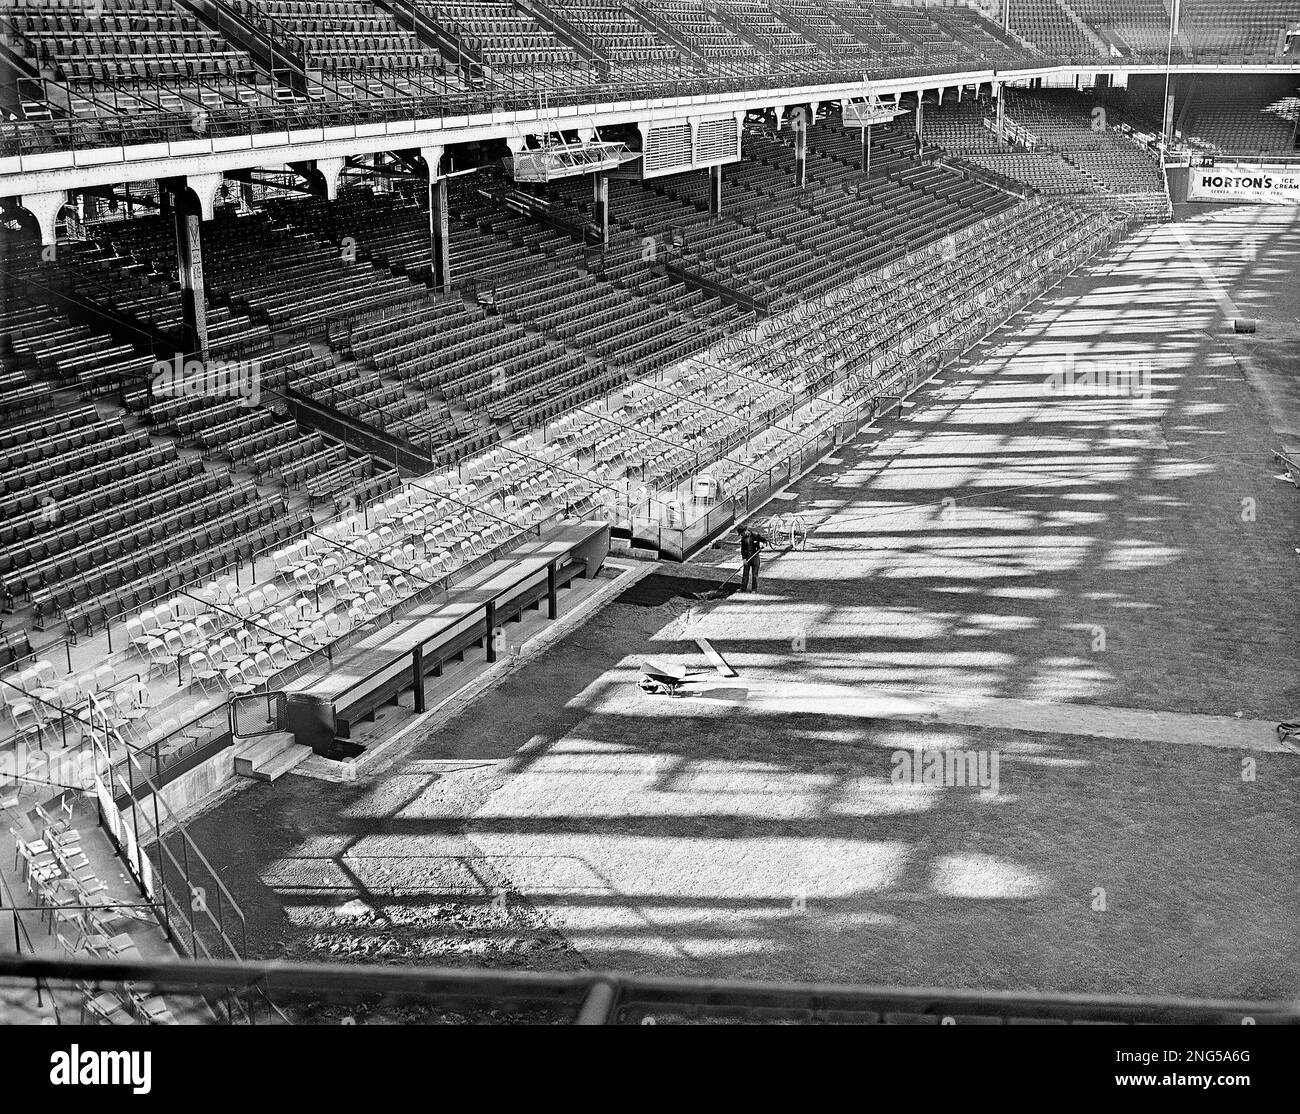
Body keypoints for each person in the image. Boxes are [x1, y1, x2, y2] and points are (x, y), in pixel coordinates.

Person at [738, 527, 766, 593]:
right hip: (747, 557)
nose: (742, 535)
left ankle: (754, 589)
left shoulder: (755, 535)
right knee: (745, 573)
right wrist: (744, 559)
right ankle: (743, 588)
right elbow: (742, 550)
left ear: (745, 531)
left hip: (755, 556)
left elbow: (764, 540)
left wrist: (764, 544)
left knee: (754, 574)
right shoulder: (743, 539)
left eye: (742, 533)